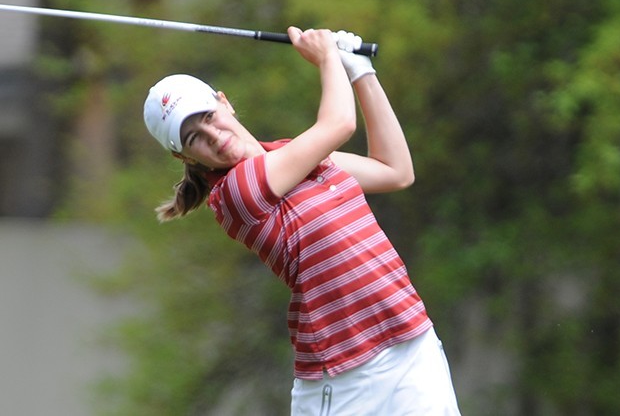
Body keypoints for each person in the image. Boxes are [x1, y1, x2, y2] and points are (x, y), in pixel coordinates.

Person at [142, 27, 461, 415]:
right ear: (187, 158)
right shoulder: (236, 193)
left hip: (413, 344)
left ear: (225, 103)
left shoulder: (295, 153)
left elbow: (394, 170)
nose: (214, 135)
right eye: (194, 137)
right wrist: (328, 57)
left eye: (209, 116)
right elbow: (339, 124)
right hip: (344, 377)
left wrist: (361, 72)